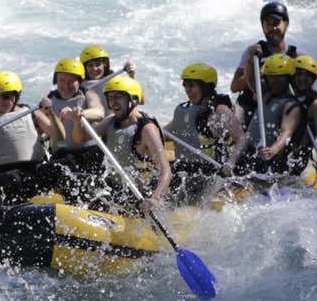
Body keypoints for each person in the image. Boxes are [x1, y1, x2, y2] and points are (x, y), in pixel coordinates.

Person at [0, 70, 58, 204]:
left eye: (5, 96)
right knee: (12, 179)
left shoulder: (33, 113)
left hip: (32, 170)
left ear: (16, 95)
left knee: (57, 168)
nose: (0, 101)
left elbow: (57, 135)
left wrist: (50, 112)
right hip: (6, 176)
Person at [89, 74, 171, 214]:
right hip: (115, 188)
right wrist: (77, 118)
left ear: (132, 99)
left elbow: (166, 171)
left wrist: (155, 199)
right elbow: (82, 138)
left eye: (118, 97)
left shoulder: (147, 130)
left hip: (140, 195)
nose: (113, 102)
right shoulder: (111, 121)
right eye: (110, 97)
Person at [226, 54, 314, 176]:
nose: (275, 81)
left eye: (280, 78)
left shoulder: (292, 105)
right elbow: (250, 78)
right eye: (272, 77)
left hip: (269, 159)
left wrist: (273, 150)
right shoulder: (265, 93)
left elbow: (286, 133)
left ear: (289, 78)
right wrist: (251, 60)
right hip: (249, 152)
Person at [166, 62, 242, 201]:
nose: (187, 90)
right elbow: (165, 136)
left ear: (206, 87)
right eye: (185, 85)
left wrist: (230, 163)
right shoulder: (185, 112)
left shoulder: (219, 110)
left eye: (192, 85)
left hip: (211, 174)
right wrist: (169, 162)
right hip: (185, 173)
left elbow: (242, 139)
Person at [36, 56, 106, 196]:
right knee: (46, 170)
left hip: (88, 152)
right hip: (63, 154)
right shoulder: (48, 101)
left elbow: (99, 112)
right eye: (62, 80)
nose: (66, 86)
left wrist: (80, 113)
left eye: (71, 81)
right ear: (56, 80)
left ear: (79, 81)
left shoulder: (87, 94)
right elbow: (45, 130)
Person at [229, 1, 300, 126]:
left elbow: (305, 88)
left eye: (276, 23)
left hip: (280, 107)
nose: (273, 28)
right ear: (263, 26)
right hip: (251, 106)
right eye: (268, 24)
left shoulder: (296, 56)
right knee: (235, 112)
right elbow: (234, 87)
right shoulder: (253, 52)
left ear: (286, 24)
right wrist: (252, 66)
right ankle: (234, 141)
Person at [287, 54, 317, 177]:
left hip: (297, 154)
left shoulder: (315, 105)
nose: (303, 78)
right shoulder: (283, 92)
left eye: (307, 76)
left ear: (313, 80)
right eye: (300, 74)